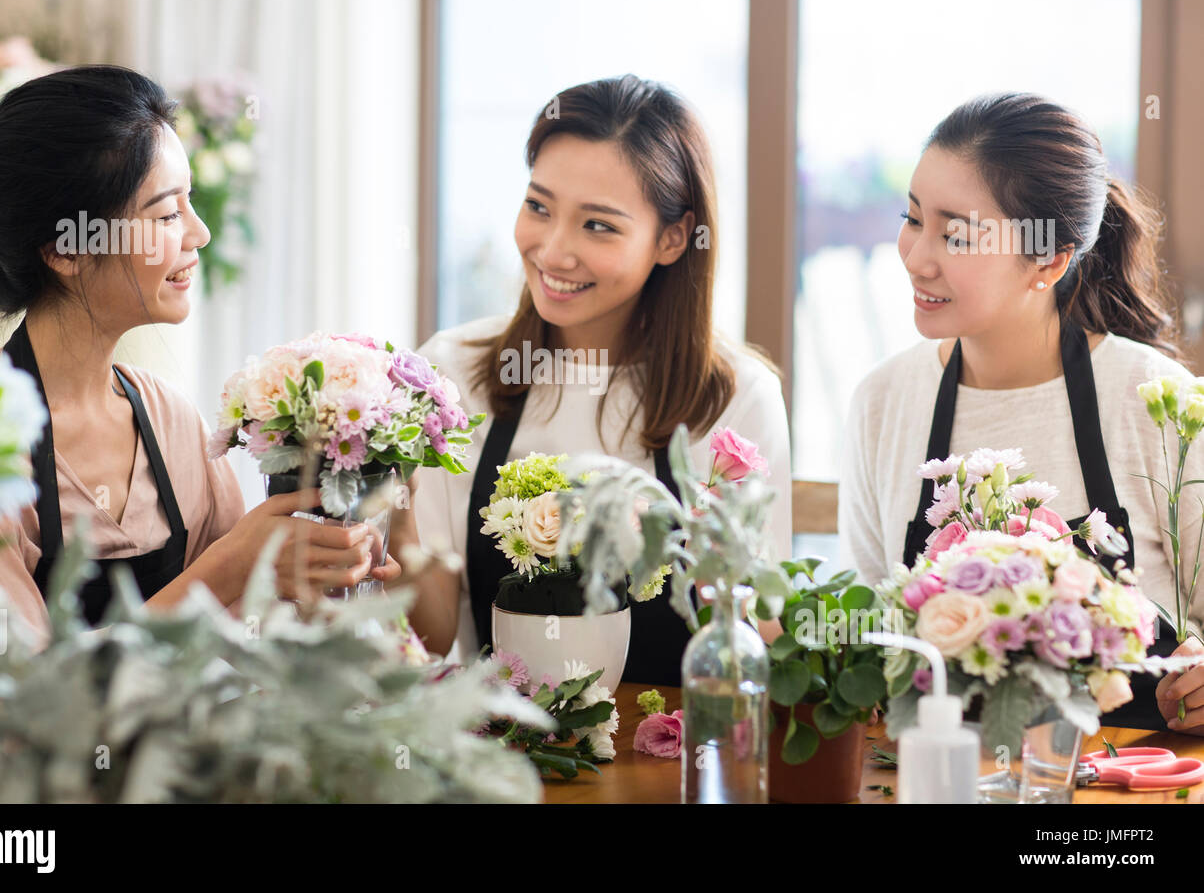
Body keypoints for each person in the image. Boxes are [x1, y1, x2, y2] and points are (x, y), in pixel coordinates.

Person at [0, 65, 398, 801]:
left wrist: (311, 575)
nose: (197, 233)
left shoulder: (166, 417)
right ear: (67, 248)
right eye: (166, 215)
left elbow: (239, 638)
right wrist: (227, 571)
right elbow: (28, 715)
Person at [408, 75, 791, 687]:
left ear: (672, 237)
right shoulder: (455, 373)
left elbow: (752, 632)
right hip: (506, 763)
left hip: (675, 765)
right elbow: (426, 639)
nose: (554, 252)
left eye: (598, 226)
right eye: (539, 207)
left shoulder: (736, 397)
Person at [839, 92, 1204, 732]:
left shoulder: (1153, 398)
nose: (916, 256)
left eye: (955, 234)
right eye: (913, 217)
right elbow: (872, 644)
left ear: (1051, 259)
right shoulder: (883, 402)